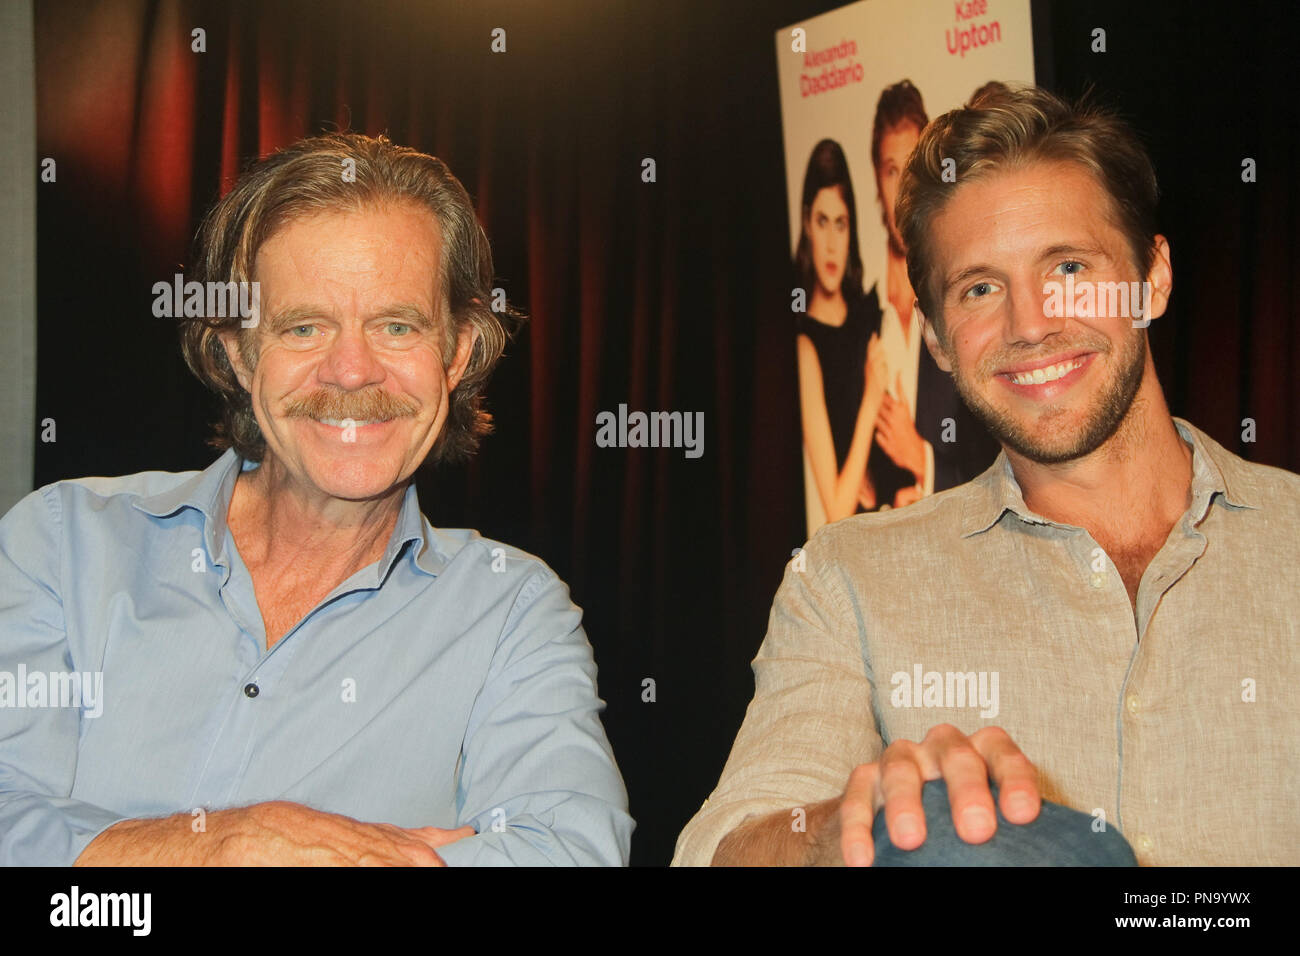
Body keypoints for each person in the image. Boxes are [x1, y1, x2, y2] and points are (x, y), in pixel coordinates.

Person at [673, 85, 1299, 866]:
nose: (1030, 323)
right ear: (935, 338)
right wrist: (852, 826)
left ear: (1154, 277)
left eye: (1068, 267)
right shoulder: (847, 580)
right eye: (979, 289)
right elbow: (721, 848)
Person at [0, 133, 633, 866]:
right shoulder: (62, 543)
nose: (352, 370)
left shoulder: (512, 614)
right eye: (305, 327)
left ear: (457, 351)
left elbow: (569, 851)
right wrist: (225, 847)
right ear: (238, 354)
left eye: (397, 325)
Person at [863, 80, 999, 512]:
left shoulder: (967, 312)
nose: (901, 188)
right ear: (875, 181)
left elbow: (1001, 472)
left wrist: (920, 458)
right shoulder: (856, 322)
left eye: (912, 168)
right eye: (889, 171)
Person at [794, 139, 889, 526]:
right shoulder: (804, 345)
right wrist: (870, 402)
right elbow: (837, 510)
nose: (832, 244)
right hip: (856, 547)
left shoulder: (869, 312)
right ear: (806, 225)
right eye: (822, 221)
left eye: (841, 223)